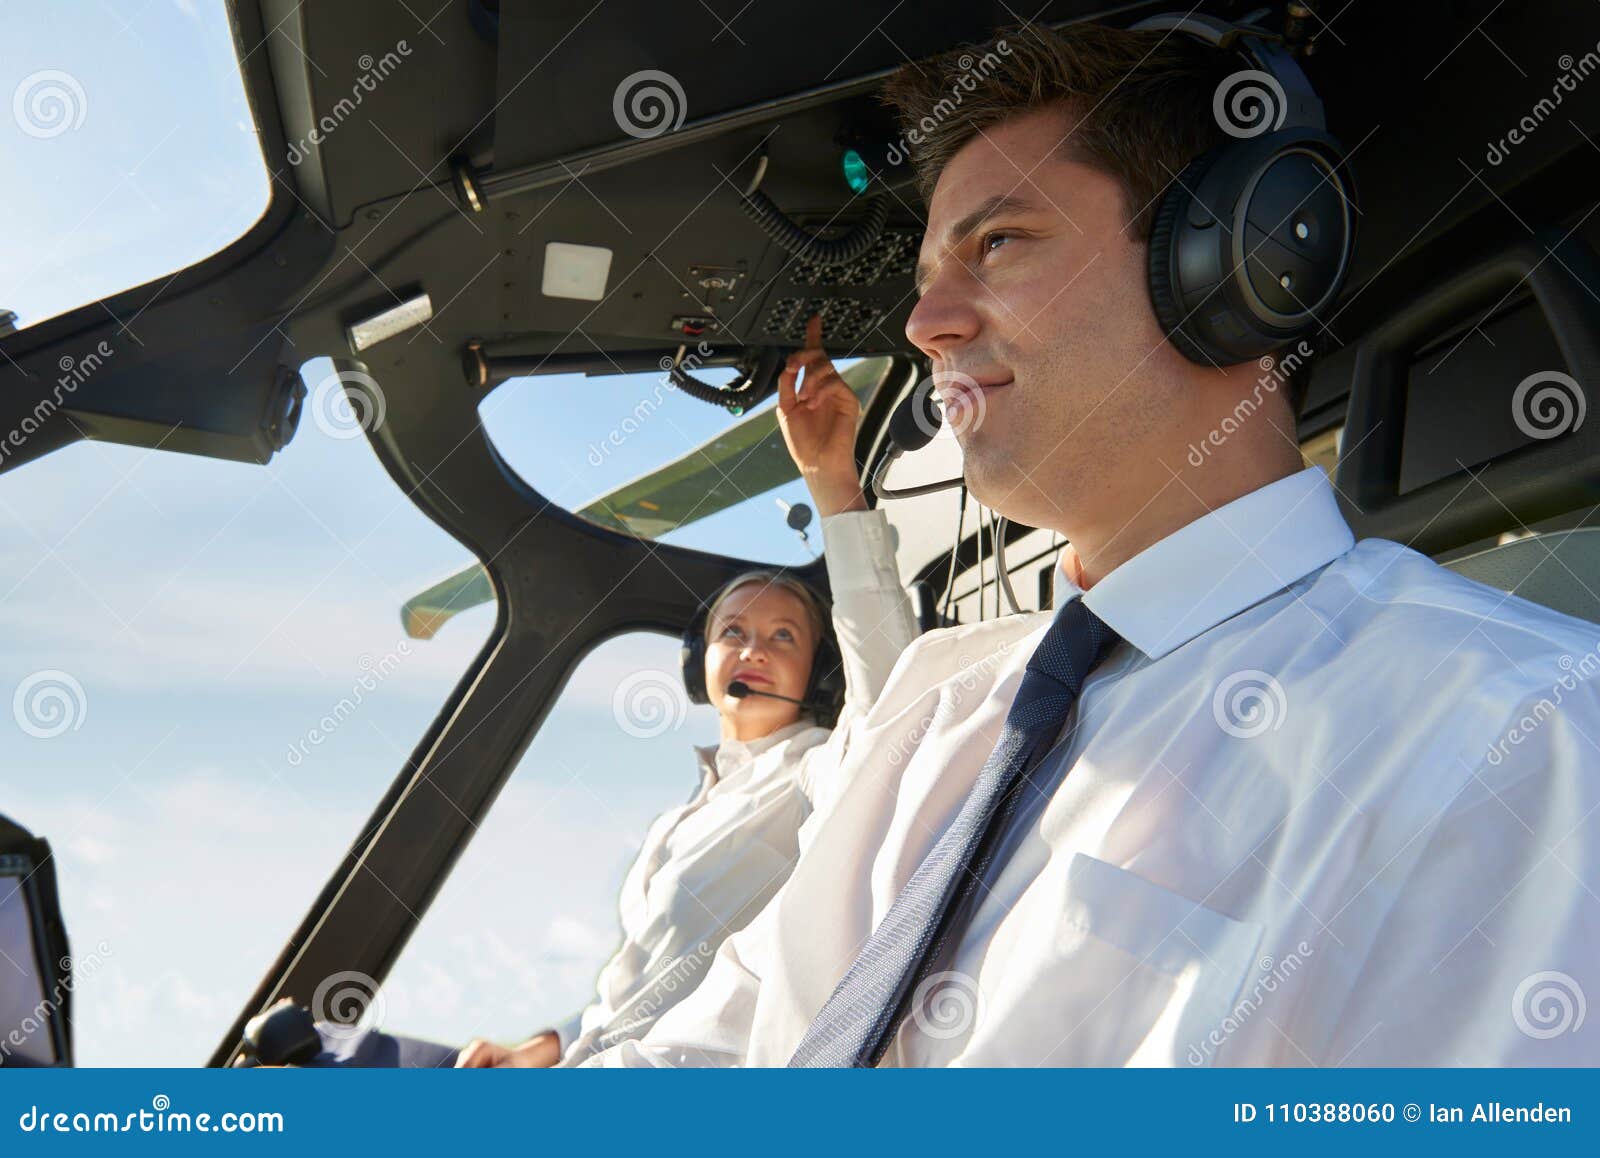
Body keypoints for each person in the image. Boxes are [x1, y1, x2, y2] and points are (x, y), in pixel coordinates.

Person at [580, 20, 1600, 1067]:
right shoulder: (924, 715)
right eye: (929, 272)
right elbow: (706, 1056)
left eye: (998, 244)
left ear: (1234, 261)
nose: (924, 322)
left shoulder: (1522, 732)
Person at [300, 317, 916, 1069]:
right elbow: (639, 986)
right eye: (733, 632)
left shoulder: (823, 771)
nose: (751, 648)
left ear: (820, 671)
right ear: (700, 664)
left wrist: (835, 488)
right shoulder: (690, 811)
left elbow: (891, 691)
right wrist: (547, 1045)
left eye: (783, 636)